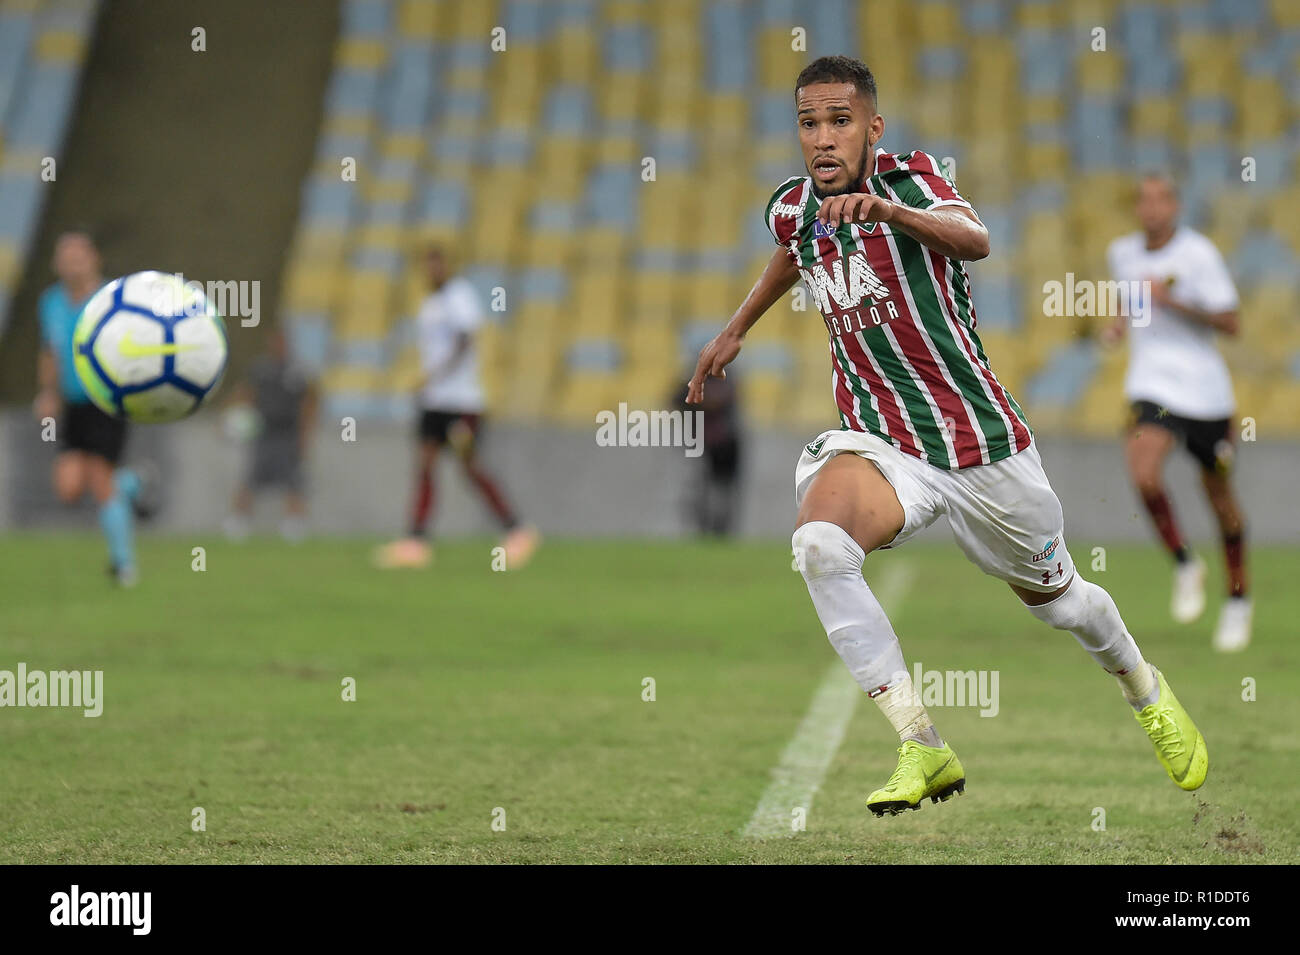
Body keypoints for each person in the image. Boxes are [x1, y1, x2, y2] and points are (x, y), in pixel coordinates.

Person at [687, 56, 1207, 816]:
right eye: (809, 123)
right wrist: (734, 329)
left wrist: (887, 214)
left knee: (1064, 603)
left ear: (873, 127)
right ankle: (921, 741)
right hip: (882, 442)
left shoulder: (911, 182)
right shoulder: (793, 209)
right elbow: (792, 251)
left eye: (840, 121)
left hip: (980, 448)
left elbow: (975, 238)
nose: (824, 139)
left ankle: (1144, 687)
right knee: (820, 546)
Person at [1104, 174, 1249, 652]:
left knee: (1219, 496)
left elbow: (1230, 322)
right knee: (1143, 472)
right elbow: (1130, 305)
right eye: (1143, 200)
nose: (1150, 208)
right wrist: (1118, 327)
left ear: (1176, 206)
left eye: (1160, 200)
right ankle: (1186, 563)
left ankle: (1237, 598)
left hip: (1206, 394)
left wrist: (1175, 302)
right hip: (1152, 384)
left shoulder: (1198, 255)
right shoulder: (1122, 253)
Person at [374, 245, 538, 569]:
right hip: (435, 403)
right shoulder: (429, 303)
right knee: (425, 465)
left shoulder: (459, 296)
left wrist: (433, 376)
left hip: (461, 401)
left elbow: (465, 342)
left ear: (447, 266)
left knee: (470, 467)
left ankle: (516, 529)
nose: (433, 271)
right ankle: (416, 540)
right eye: (428, 265)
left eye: (437, 264)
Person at [34, 229, 152, 586]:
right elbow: (50, 352)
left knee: (100, 482)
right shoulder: (50, 302)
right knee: (68, 489)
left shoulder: (113, 299)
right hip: (73, 404)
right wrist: (47, 393)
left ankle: (124, 566)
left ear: (94, 259)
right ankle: (133, 484)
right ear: (57, 263)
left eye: (79, 256)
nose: (72, 263)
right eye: (65, 257)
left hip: (108, 400)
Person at [223, 327, 317, 541]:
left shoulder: (297, 372)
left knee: (294, 480)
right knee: (250, 477)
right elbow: (246, 393)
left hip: (288, 433)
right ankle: (238, 522)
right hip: (264, 432)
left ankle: (294, 525)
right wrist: (230, 416)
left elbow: (308, 403)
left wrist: (305, 435)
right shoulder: (260, 369)